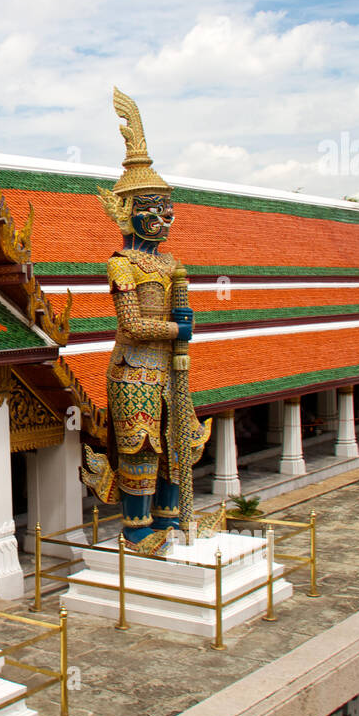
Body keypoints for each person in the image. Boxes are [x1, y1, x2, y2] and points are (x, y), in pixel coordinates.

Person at [80, 89, 211, 553]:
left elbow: (180, 315)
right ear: (127, 213)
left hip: (172, 370)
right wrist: (178, 330)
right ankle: (137, 529)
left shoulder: (173, 264)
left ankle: (169, 519)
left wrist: (182, 326)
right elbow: (133, 325)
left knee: (179, 444)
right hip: (135, 368)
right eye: (150, 209)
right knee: (142, 445)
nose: (162, 217)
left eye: (165, 207)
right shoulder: (120, 263)